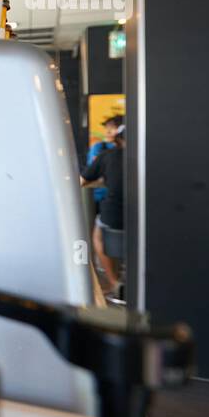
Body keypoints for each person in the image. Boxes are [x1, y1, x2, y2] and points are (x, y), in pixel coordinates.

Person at [81, 125, 125, 298]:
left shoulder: (107, 156)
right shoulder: (149, 155)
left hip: (114, 220)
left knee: (98, 237)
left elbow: (81, 181)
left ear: (118, 139)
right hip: (143, 222)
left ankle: (114, 282)